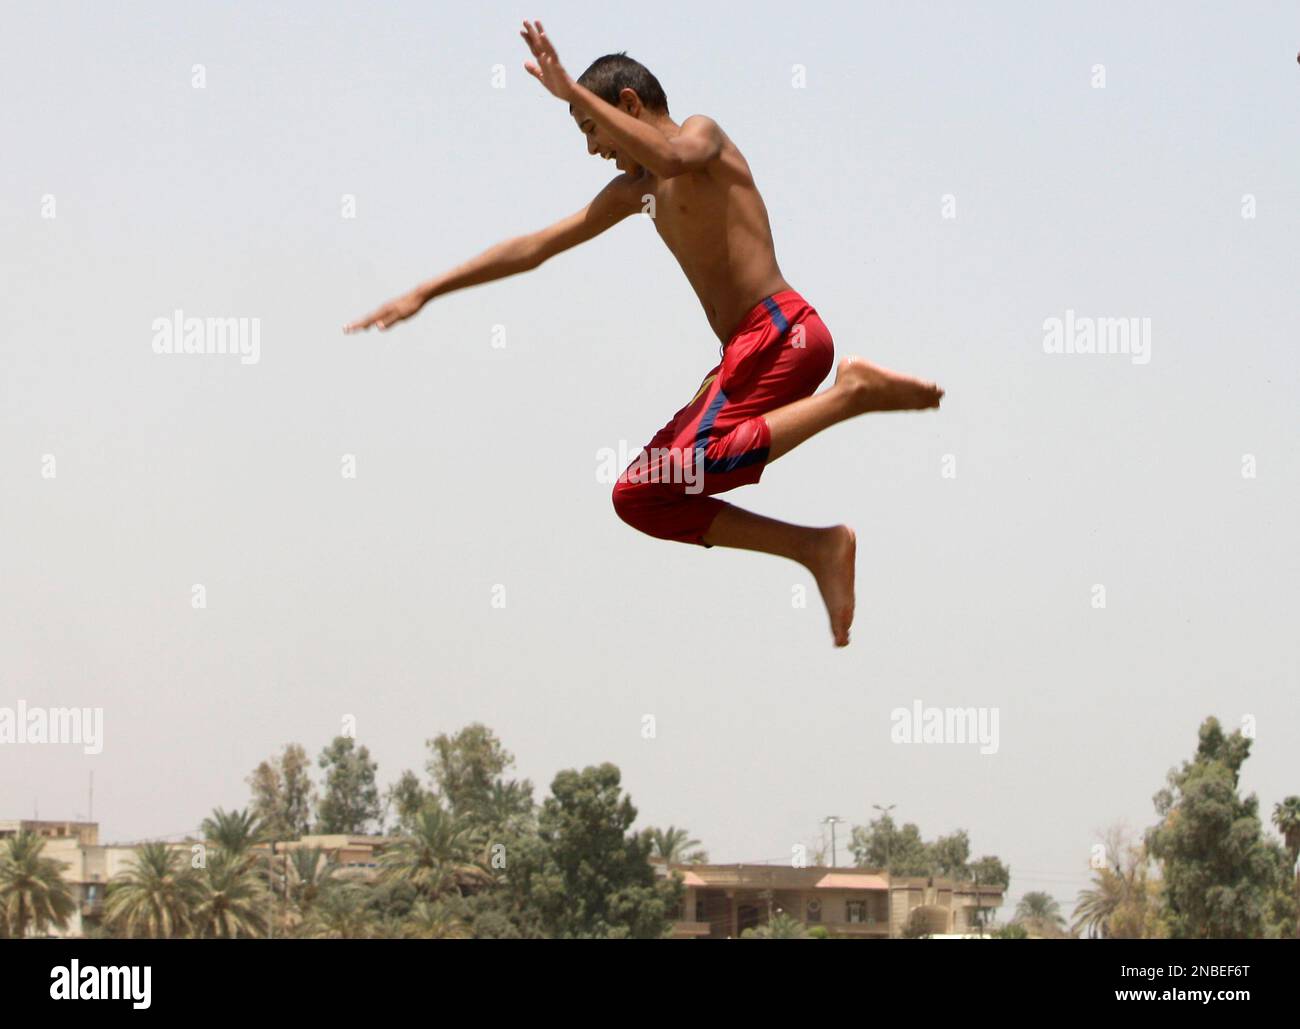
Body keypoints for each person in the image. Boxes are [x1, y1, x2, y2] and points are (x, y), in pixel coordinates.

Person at [346, 21, 943, 646]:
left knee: (699, 460)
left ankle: (853, 393)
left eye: (590, 129)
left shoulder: (701, 137)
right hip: (741, 353)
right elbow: (535, 247)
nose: (592, 149)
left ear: (628, 104)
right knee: (643, 494)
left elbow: (675, 156)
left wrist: (577, 95)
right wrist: (426, 290)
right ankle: (815, 548)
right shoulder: (638, 191)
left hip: (783, 331)